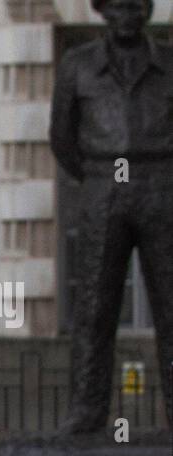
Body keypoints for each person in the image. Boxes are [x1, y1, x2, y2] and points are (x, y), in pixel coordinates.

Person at [50, 0, 173, 432]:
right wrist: (103, 176)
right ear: (102, 10)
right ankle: (87, 410)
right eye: (118, 3)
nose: (127, 12)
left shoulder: (169, 62)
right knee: (94, 308)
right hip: (103, 185)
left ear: (148, 10)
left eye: (136, 3)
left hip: (160, 183)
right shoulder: (77, 65)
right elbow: (62, 138)